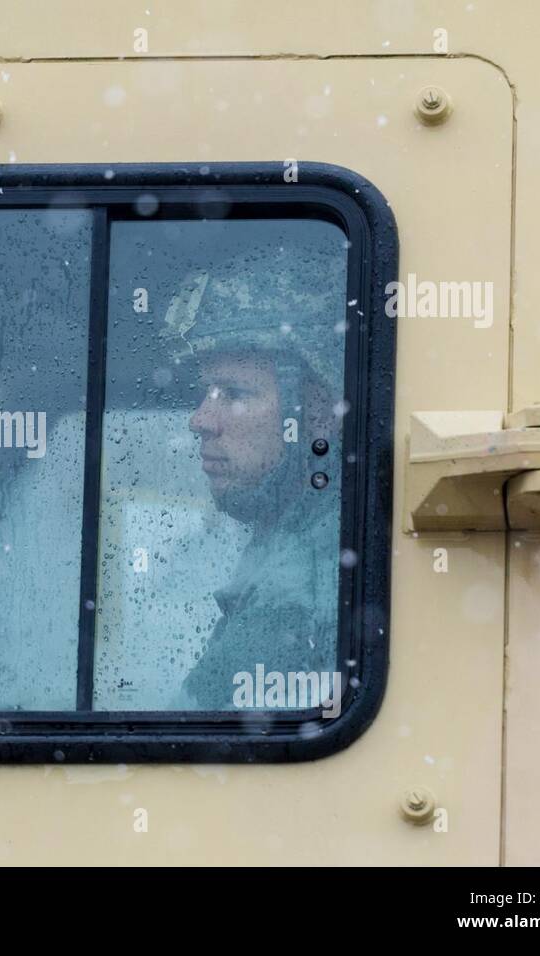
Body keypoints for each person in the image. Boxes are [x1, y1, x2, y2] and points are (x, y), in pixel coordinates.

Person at [160, 252, 347, 712]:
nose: (200, 420)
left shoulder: (303, 581)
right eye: (205, 394)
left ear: (319, 412)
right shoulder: (302, 539)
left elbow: (191, 743)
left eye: (235, 394)